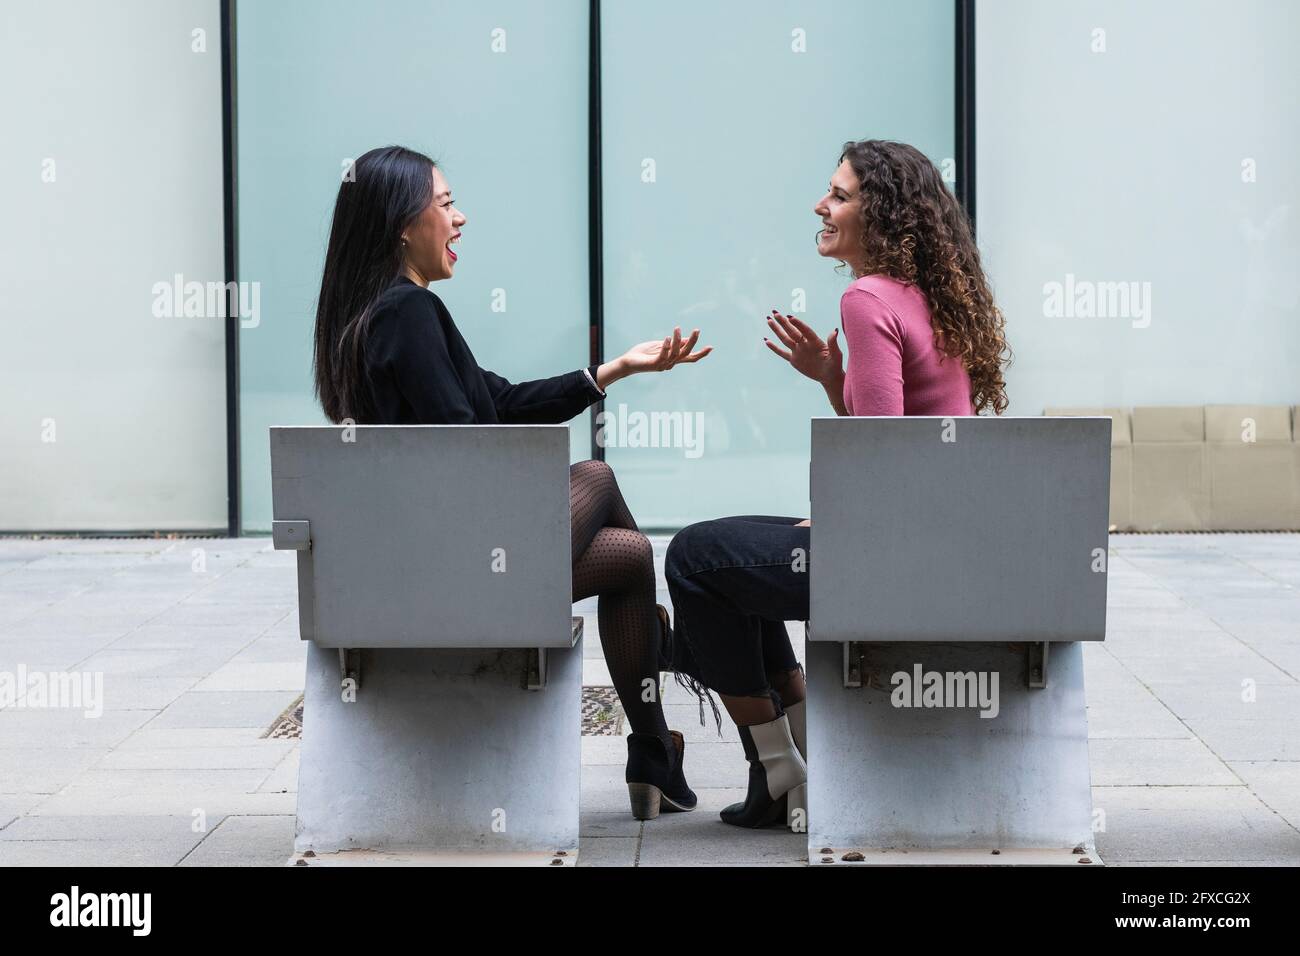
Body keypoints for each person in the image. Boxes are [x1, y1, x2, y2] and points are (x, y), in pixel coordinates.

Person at [311, 145, 712, 820]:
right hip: (460, 572)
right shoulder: (408, 313)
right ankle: (659, 678)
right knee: (600, 478)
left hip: (408, 565)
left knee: (631, 554)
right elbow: (470, 440)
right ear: (401, 224)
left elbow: (496, 401)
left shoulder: (368, 319)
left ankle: (653, 740)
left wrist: (615, 369)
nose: (460, 219)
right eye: (445, 205)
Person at [663, 139, 1012, 828]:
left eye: (840, 195)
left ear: (880, 213)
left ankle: (779, 765)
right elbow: (899, 435)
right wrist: (831, 376)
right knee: (728, 558)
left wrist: (840, 519)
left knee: (692, 558)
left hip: (893, 555)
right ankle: (791, 760)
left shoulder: (865, 298)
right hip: (940, 539)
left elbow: (880, 456)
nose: (821, 206)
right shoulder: (928, 295)